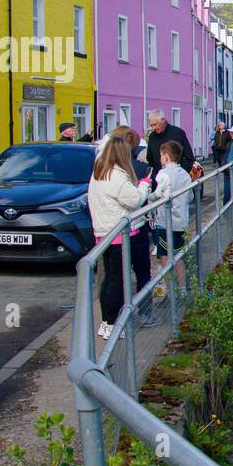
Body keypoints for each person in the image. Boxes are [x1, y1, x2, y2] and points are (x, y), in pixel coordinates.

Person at [88, 134, 152, 339]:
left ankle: (107, 322)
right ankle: (112, 324)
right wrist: (144, 184)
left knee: (109, 279)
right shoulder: (116, 175)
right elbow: (134, 201)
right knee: (117, 280)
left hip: (104, 231)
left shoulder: (99, 172)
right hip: (118, 234)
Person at [110, 126, 155, 322]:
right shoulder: (140, 169)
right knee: (142, 271)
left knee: (115, 276)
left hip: (112, 229)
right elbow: (139, 200)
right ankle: (145, 313)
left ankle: (115, 318)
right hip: (136, 226)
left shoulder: (104, 169)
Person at [152, 141, 192, 296]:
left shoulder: (163, 174)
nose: (160, 158)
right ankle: (182, 289)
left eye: (161, 155)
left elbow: (158, 195)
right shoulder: (184, 174)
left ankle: (169, 290)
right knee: (179, 256)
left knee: (164, 256)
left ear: (166, 157)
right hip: (181, 222)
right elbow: (189, 196)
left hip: (165, 222)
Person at [145, 108, 193, 175]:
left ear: (163, 120)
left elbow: (189, 158)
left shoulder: (178, 133)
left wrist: (181, 174)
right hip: (158, 178)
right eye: (151, 125)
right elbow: (150, 158)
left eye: (155, 124)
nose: (153, 128)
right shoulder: (152, 136)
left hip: (177, 177)